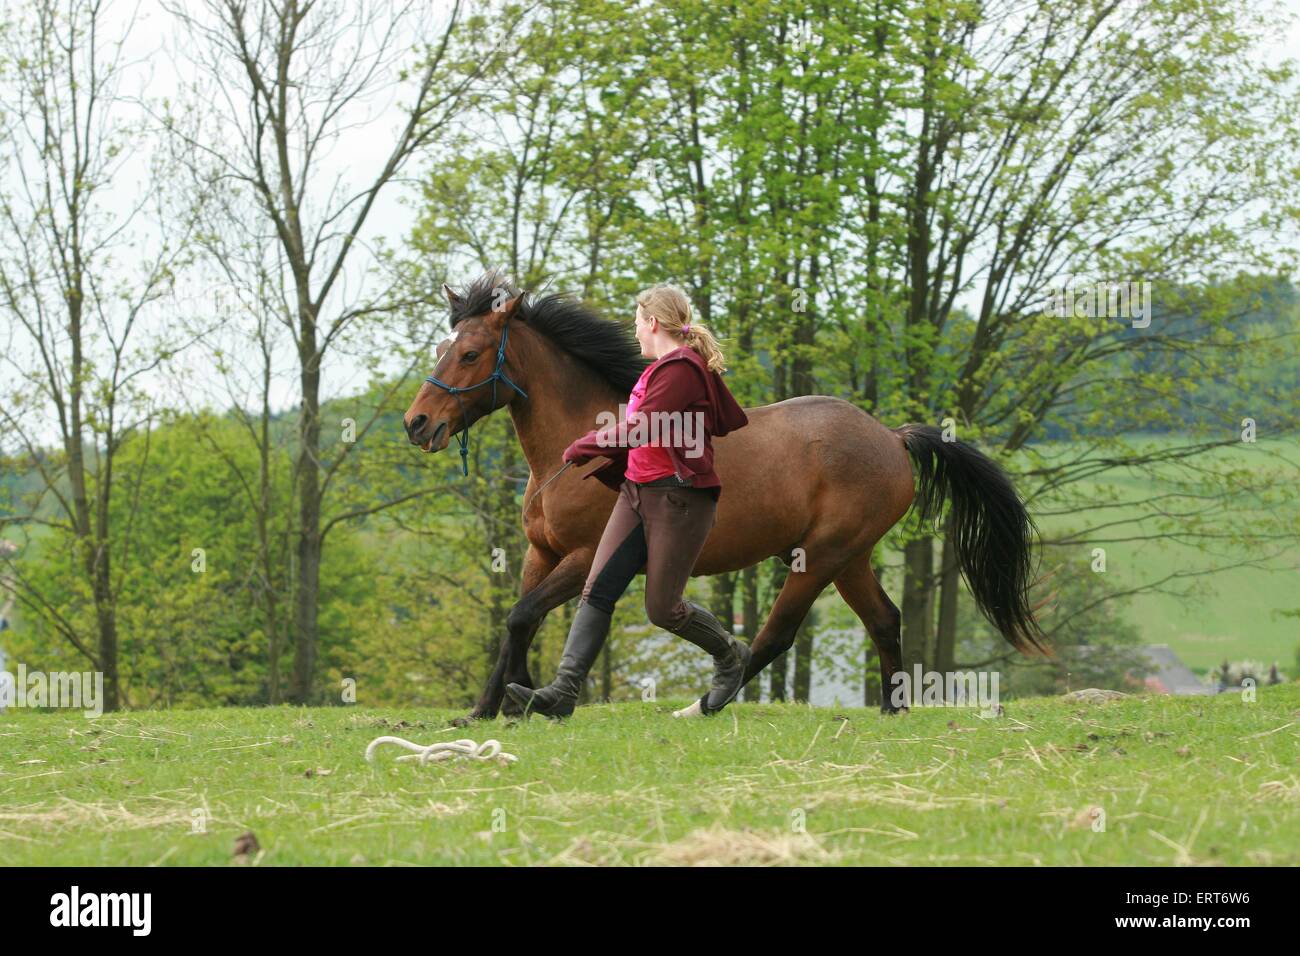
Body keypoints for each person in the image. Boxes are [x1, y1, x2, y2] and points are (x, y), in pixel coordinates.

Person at [506, 283, 751, 719]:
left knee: (663, 609)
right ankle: (564, 691)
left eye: (638, 322)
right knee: (596, 590)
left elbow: (643, 428)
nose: (635, 331)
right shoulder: (665, 370)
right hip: (637, 492)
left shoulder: (682, 369)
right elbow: (715, 419)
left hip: (679, 499)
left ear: (653, 322)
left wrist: (588, 443)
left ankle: (731, 654)